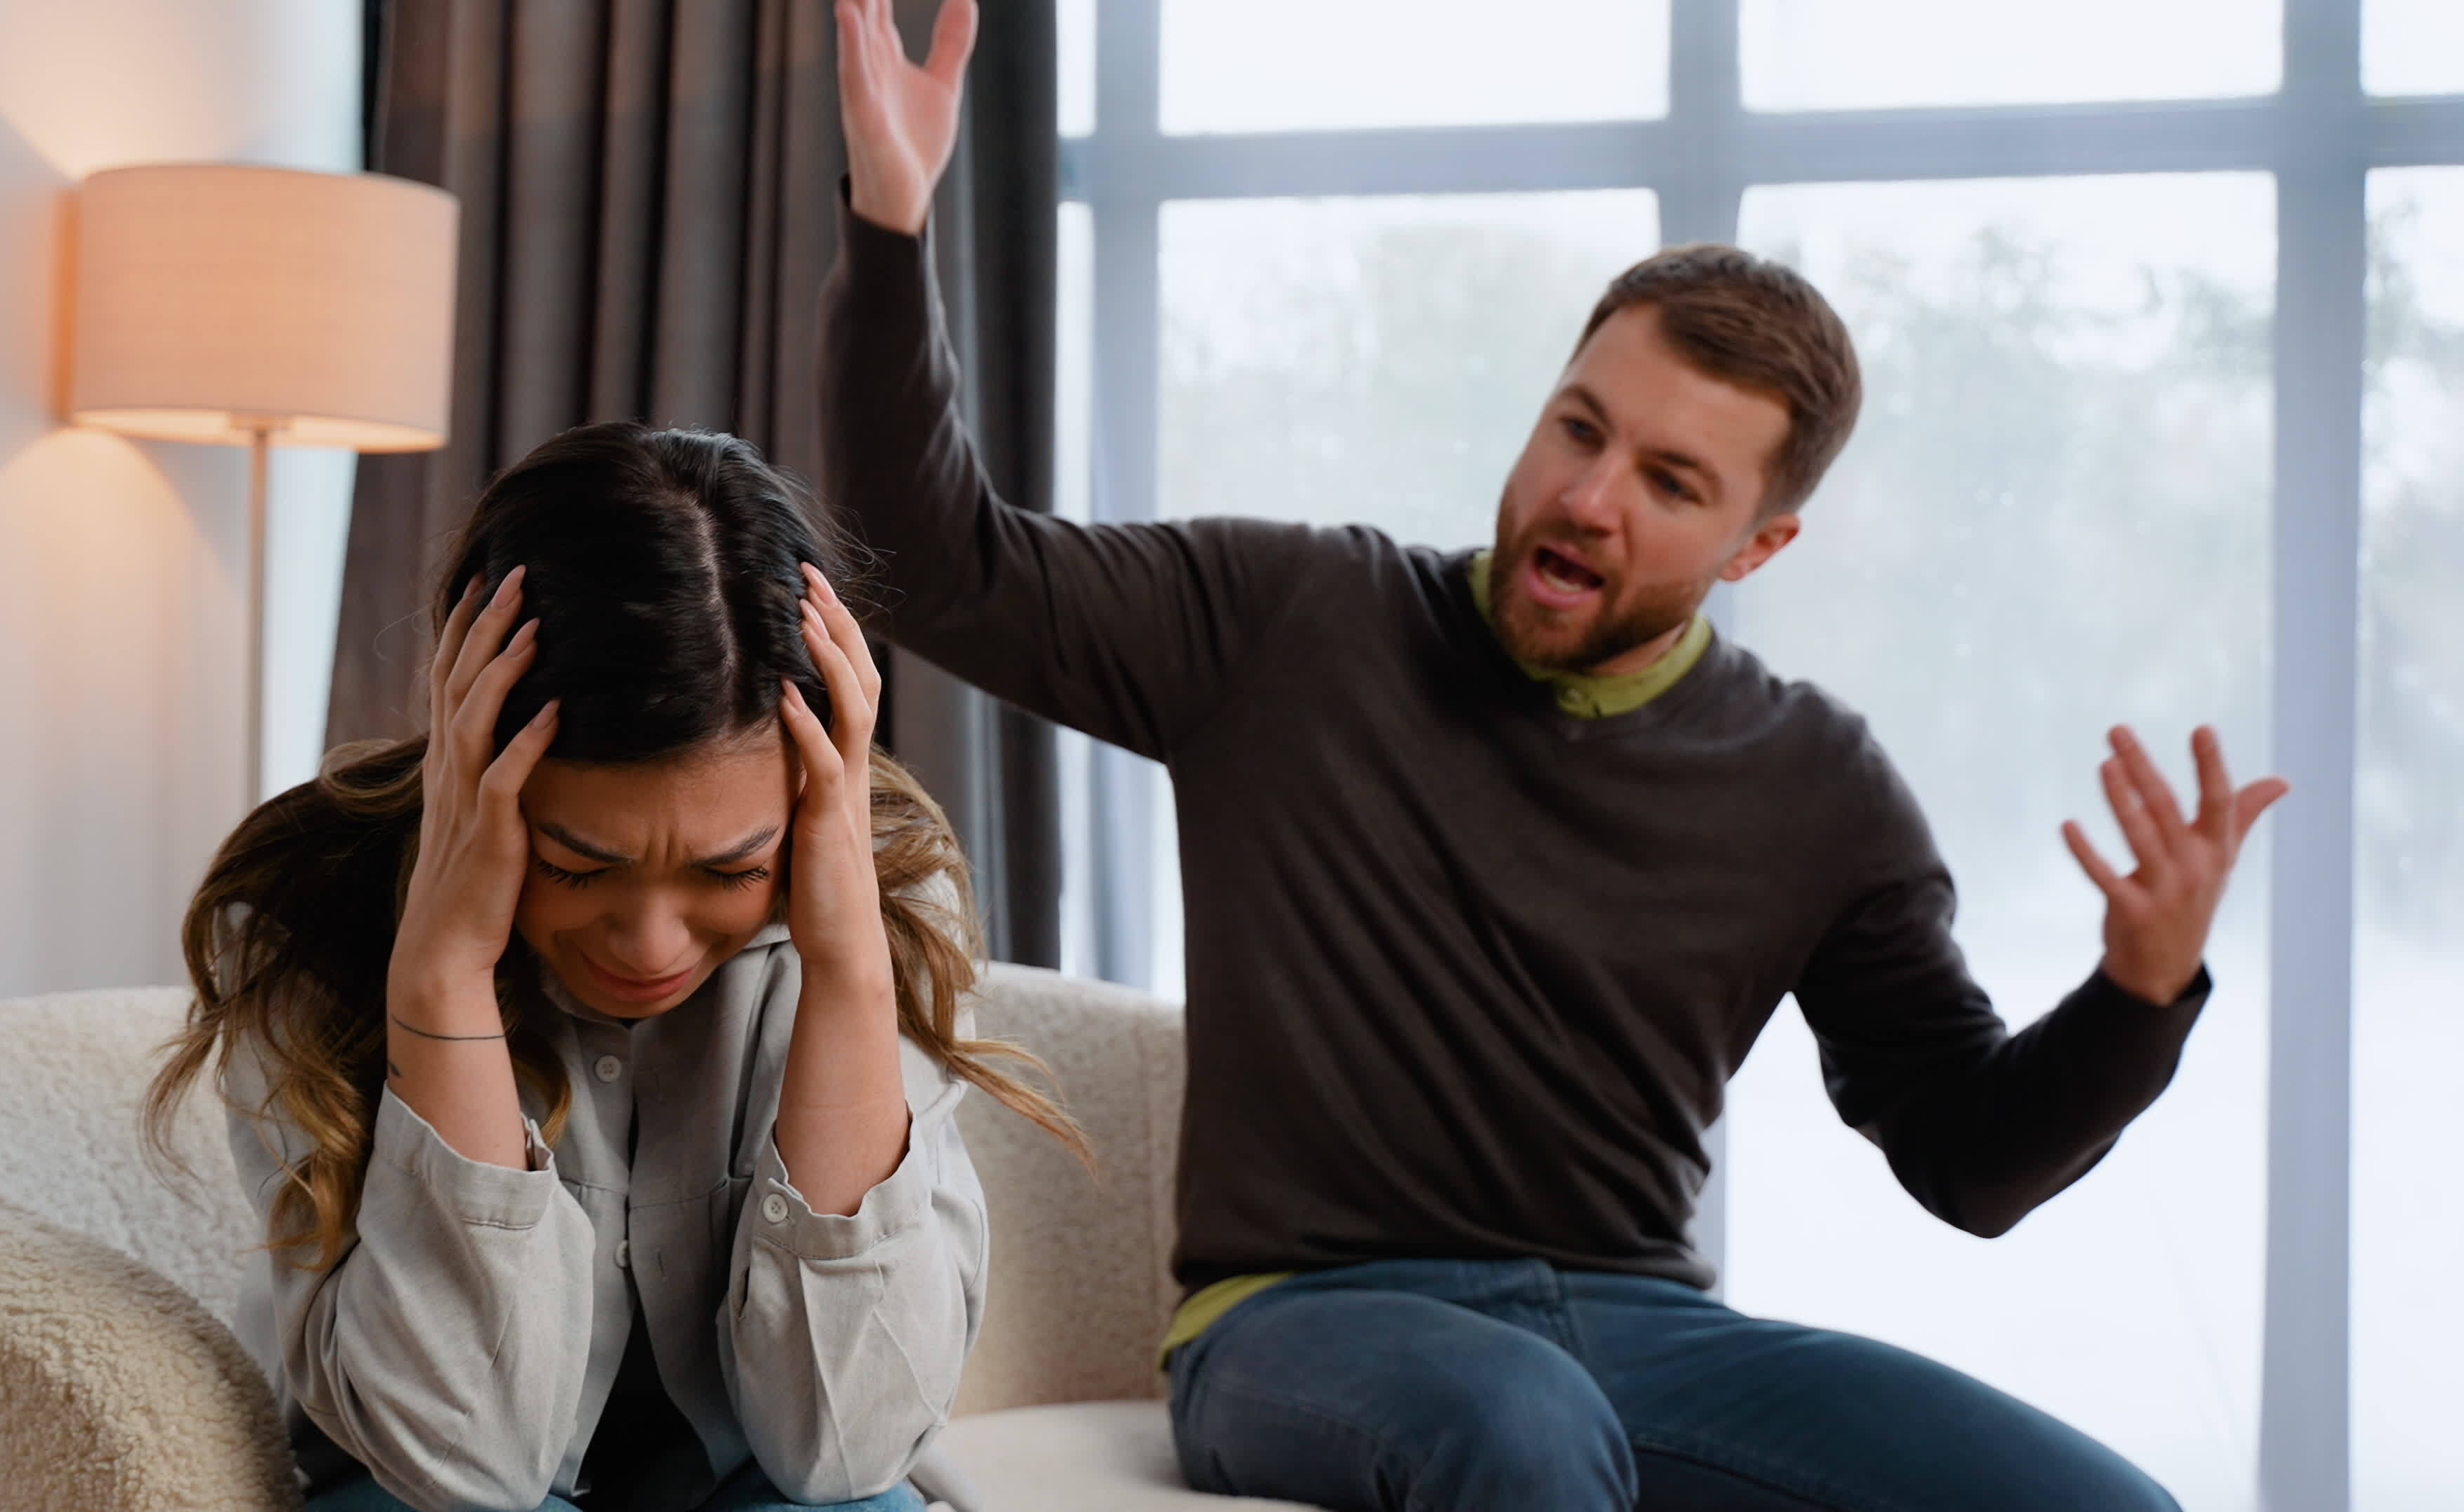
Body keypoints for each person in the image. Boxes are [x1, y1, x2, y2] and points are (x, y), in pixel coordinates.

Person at [823, 2, 2288, 1508]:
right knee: (1520, 1425)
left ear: (1758, 546)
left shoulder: (1817, 787)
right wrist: (891, 225)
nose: (1591, 496)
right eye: (1580, 430)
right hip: (1301, 1323)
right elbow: (939, 566)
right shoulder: (1292, 619)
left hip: (1644, 1332)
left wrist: (2138, 996)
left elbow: (1968, 1160)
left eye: (1670, 482)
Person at [145, 424, 1080, 1512]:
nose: (650, 945)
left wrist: (847, 972)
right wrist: (445, 973)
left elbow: (846, 1448)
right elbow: (464, 1465)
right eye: (577, 867)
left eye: (730, 870)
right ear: (467, 743)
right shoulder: (304, 915)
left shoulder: (888, 907)